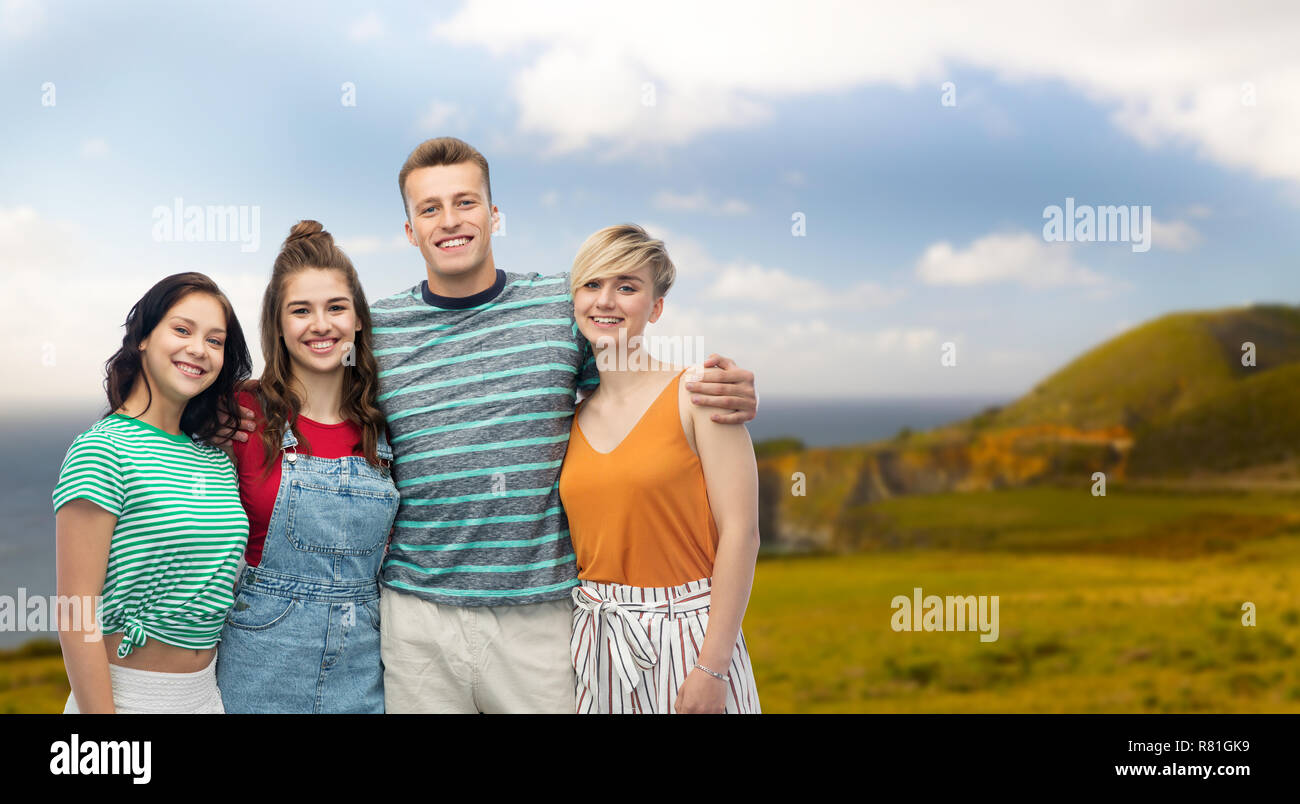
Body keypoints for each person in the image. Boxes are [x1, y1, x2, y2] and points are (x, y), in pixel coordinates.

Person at [230, 137, 758, 713]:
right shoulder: (376, 330)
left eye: (466, 202)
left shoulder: (561, 305)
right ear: (410, 230)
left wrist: (719, 387)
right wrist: (233, 408)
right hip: (416, 620)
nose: (449, 221)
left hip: (541, 618)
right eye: (429, 208)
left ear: (494, 215)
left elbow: (630, 371)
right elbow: (316, 381)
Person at [560, 224, 761, 713]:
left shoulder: (699, 393)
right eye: (592, 284)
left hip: (691, 641)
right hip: (598, 643)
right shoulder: (569, 418)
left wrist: (712, 668)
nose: (606, 300)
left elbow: (742, 532)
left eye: (627, 287)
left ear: (655, 307)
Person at [215, 221, 398, 713]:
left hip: (363, 669)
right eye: (301, 310)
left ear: (358, 318)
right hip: (256, 666)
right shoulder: (238, 413)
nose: (321, 325)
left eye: (336, 307)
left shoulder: (384, 424)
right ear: (277, 323)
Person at [53, 273, 253, 714]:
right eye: (182, 330)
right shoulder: (103, 448)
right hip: (125, 700)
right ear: (143, 338)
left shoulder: (216, 460)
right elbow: (75, 614)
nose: (199, 349)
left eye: (215, 340)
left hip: (207, 697)